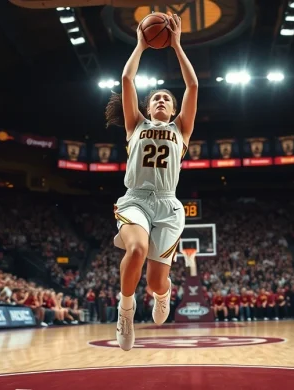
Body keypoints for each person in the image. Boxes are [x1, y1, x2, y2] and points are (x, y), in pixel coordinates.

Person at [104, 13, 198, 351]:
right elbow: (128, 78)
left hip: (169, 205)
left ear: (173, 111)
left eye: (166, 99)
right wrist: (141, 44)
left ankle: (163, 292)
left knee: (157, 279)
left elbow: (193, 86)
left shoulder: (181, 131)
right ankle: (126, 312)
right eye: (156, 97)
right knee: (137, 248)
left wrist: (177, 45)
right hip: (135, 200)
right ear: (147, 107)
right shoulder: (136, 126)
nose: (161, 100)